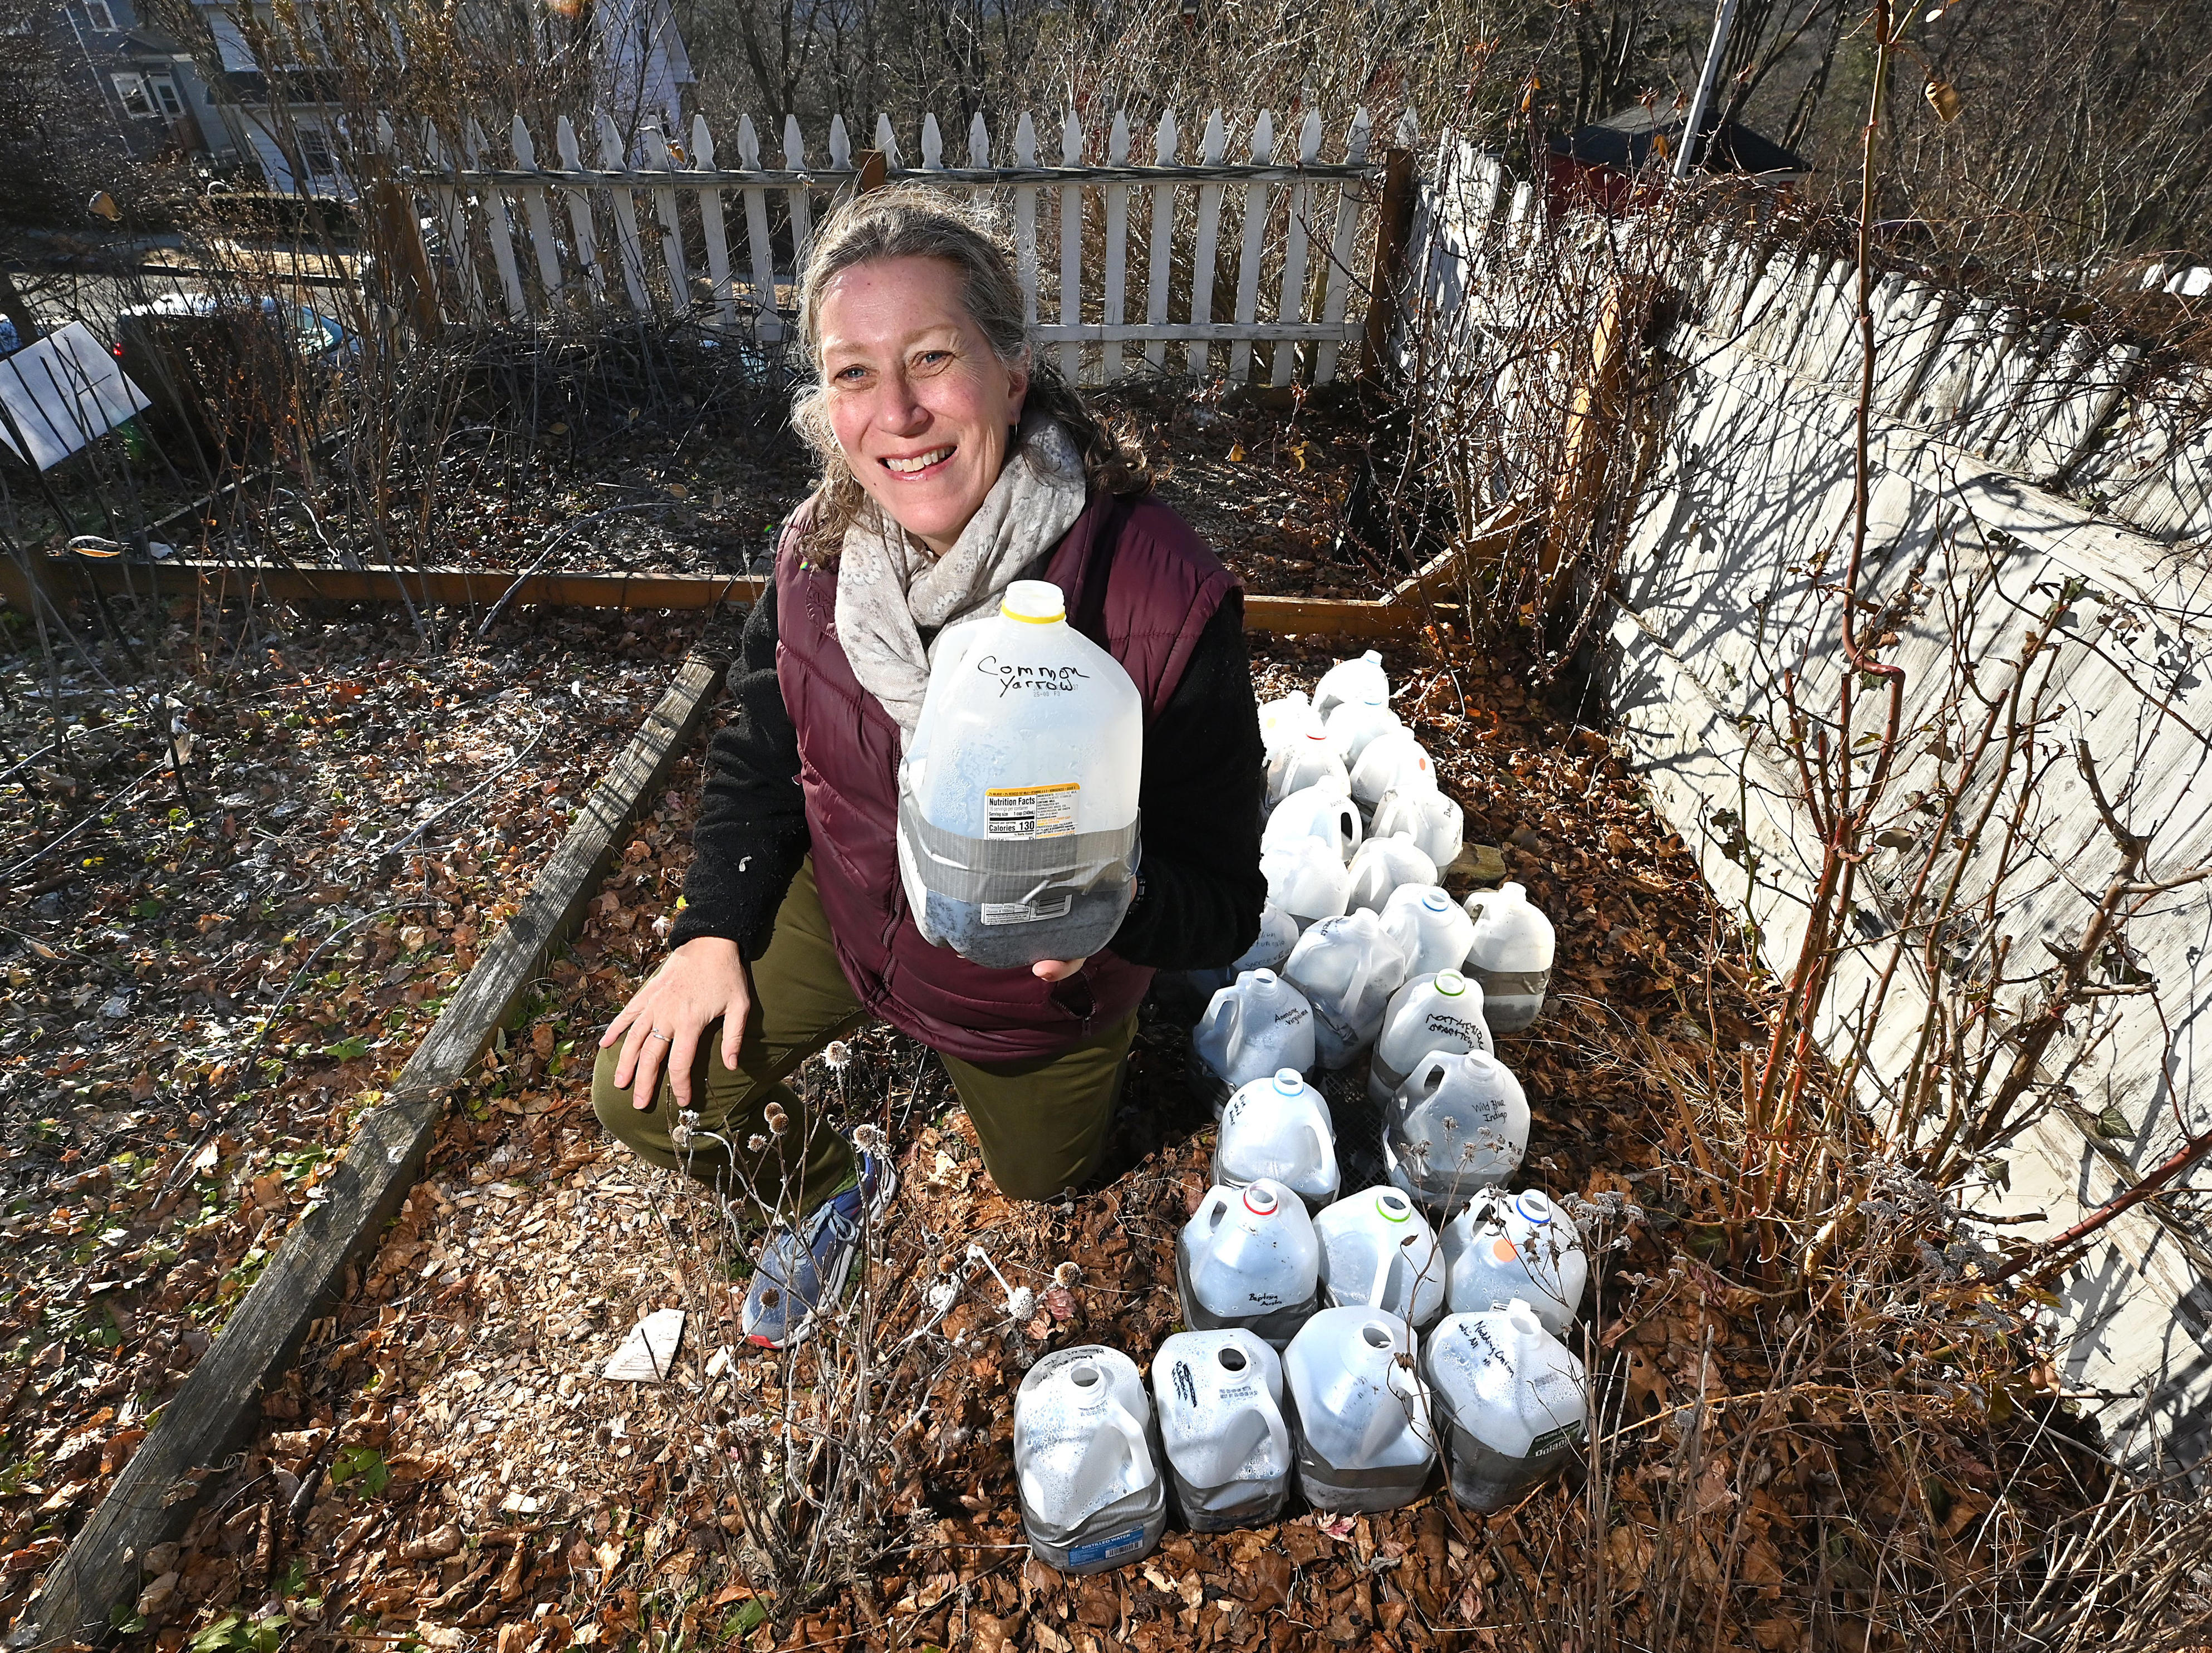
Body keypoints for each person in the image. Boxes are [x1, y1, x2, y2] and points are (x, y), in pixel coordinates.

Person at [593, 185, 1266, 1348]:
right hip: (858, 912)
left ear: (1011, 373)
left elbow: (1228, 901)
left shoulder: (1157, 595)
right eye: (854, 372)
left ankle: (1057, 1064)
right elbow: (762, 746)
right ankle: (827, 1193)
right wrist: (710, 929)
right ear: (824, 403)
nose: (896, 412)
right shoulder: (817, 555)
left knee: (1045, 1185)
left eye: (932, 357)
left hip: (1030, 986)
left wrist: (1120, 915)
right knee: (645, 1089)